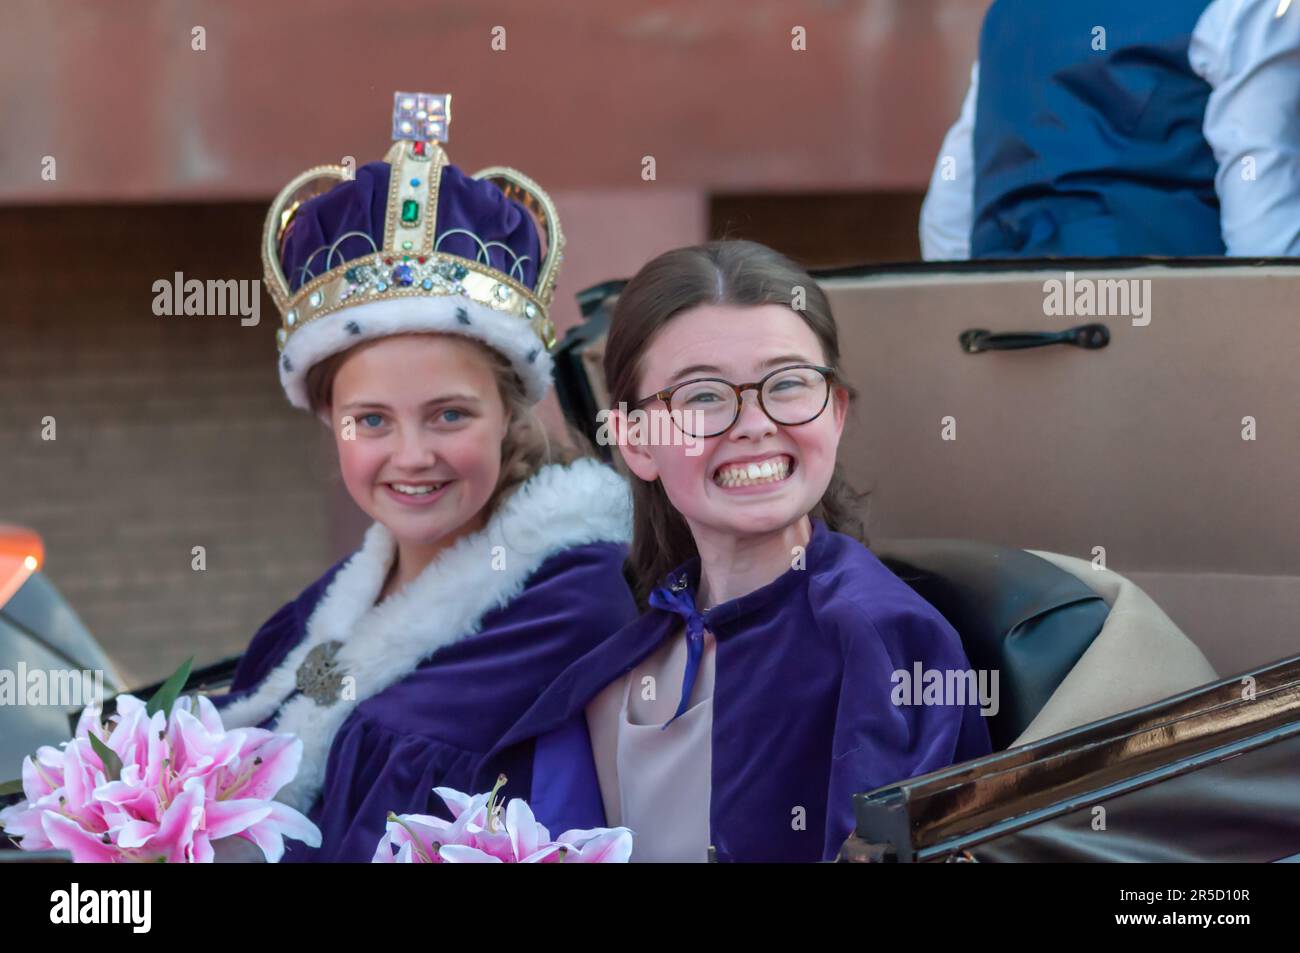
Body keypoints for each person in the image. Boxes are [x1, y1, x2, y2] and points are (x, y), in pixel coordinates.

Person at [209, 92, 637, 862]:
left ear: (510, 413)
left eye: (448, 415)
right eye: (372, 420)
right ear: (327, 422)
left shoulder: (574, 597)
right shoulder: (324, 606)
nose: (411, 455)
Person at [478, 241, 992, 862]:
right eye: (702, 396)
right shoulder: (623, 660)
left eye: (789, 383)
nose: (754, 422)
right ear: (636, 442)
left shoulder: (885, 640)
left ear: (835, 412)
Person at [920, 0, 1300, 259]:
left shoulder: (1008, 15)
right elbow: (1265, 246)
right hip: (1170, 338)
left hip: (1002, 339)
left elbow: (947, 221)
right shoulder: (1255, 8)